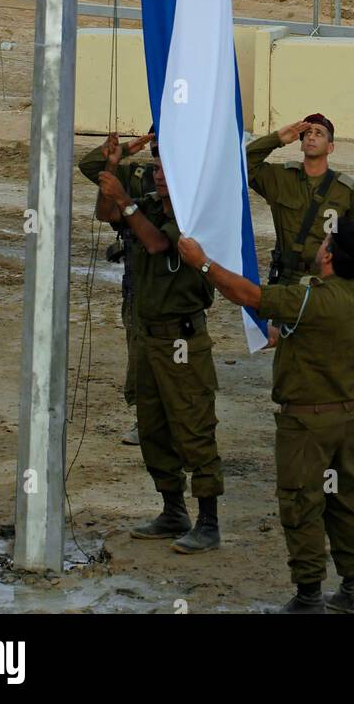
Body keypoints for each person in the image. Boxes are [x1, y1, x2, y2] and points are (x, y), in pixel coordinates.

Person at [176, 218, 354, 615]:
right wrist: (283, 336)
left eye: (325, 242)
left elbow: (246, 293)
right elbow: (322, 340)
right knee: (345, 503)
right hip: (348, 421)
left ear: (331, 256)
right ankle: (353, 589)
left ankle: (308, 597)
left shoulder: (308, 299)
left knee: (302, 505)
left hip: (306, 427)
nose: (320, 245)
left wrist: (202, 263)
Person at [94, 156, 224, 553]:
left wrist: (125, 201)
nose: (158, 175)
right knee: (152, 426)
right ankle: (172, 509)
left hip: (182, 338)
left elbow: (156, 241)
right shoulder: (147, 205)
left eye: (167, 168)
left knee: (192, 425)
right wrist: (112, 176)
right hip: (150, 337)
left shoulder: (191, 213)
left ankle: (208, 521)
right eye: (155, 169)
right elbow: (106, 215)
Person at [78, 130, 157, 445]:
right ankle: (143, 417)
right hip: (138, 279)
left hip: (174, 279)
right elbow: (90, 167)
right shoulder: (137, 174)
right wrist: (124, 150)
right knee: (139, 351)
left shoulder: (191, 176)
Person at [246, 113, 354, 284]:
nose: (311, 137)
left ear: (330, 147)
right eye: (307, 133)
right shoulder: (281, 178)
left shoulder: (345, 189)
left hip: (328, 279)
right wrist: (277, 139)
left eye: (319, 133)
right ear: (301, 144)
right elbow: (243, 164)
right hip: (288, 279)